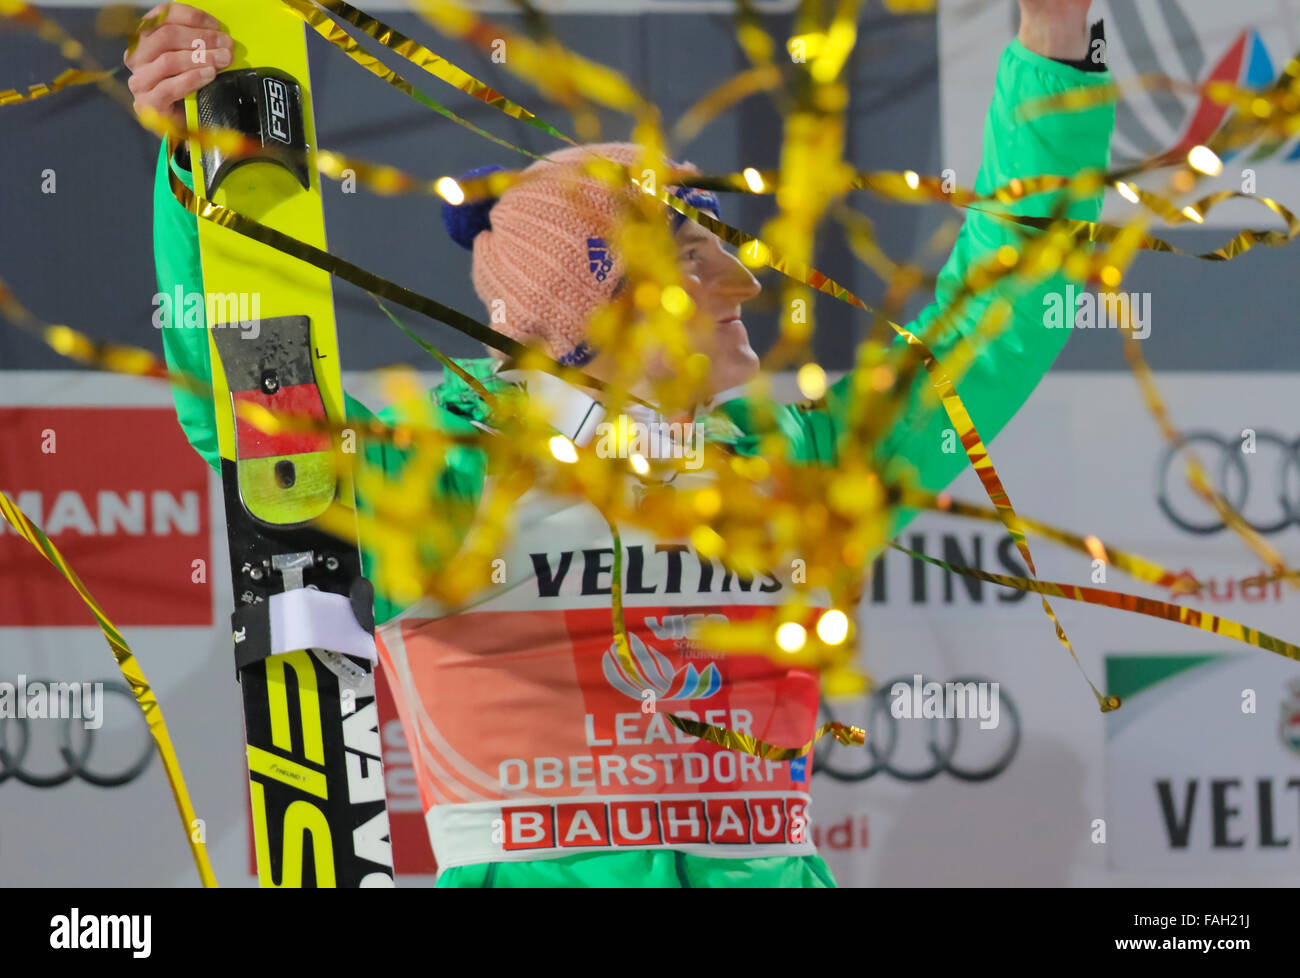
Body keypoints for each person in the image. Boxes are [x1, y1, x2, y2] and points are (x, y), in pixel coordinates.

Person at [130, 0, 1114, 887]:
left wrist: (1056, 42)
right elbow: (249, 409)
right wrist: (203, 161)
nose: (744, 287)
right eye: (696, 258)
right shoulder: (447, 474)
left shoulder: (804, 461)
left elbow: (1005, 316)